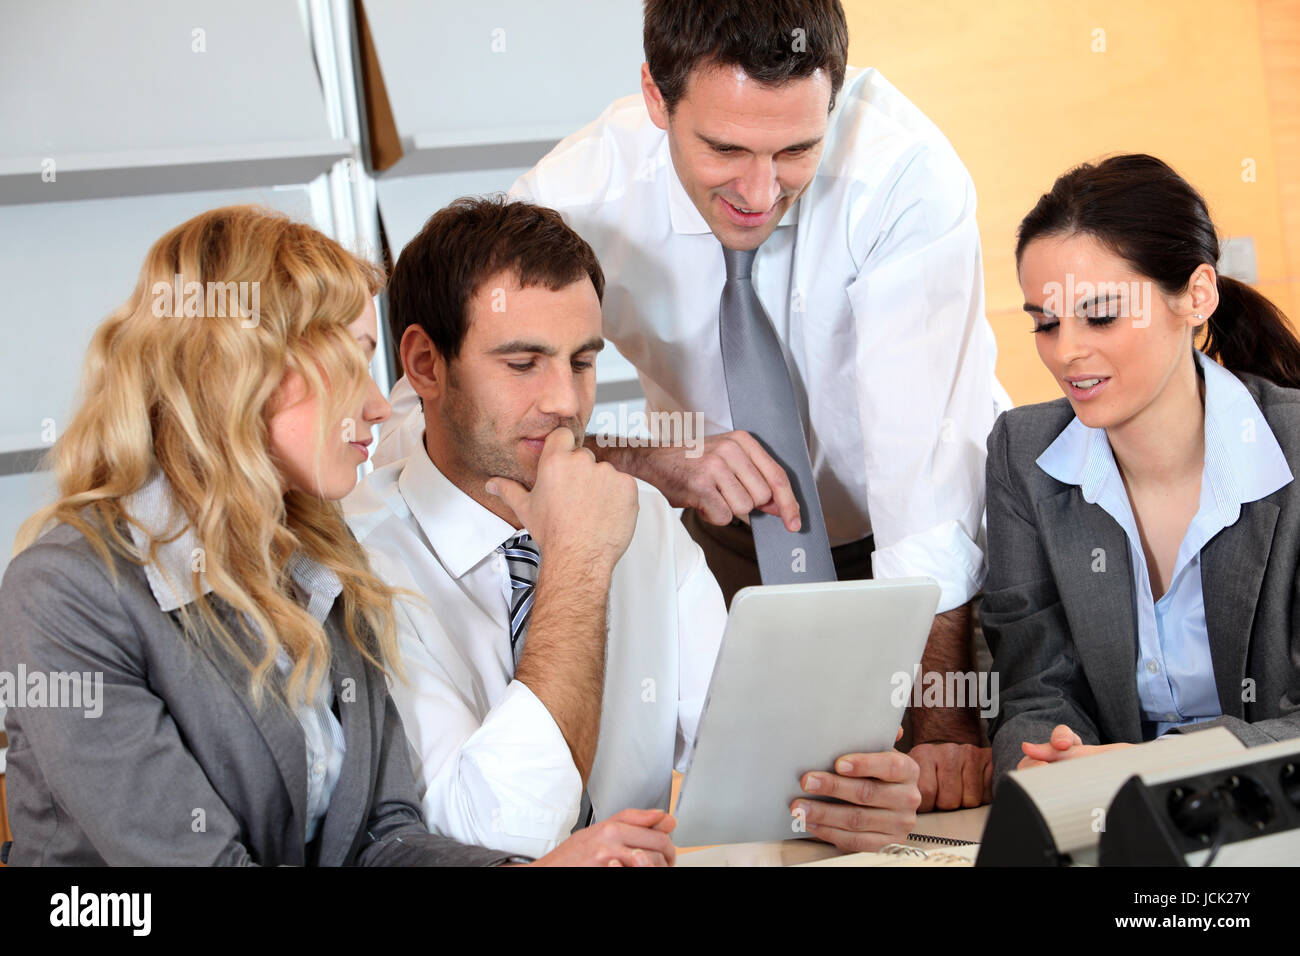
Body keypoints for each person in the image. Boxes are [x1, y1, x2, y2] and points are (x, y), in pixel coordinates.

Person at [379, 0, 993, 822]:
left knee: (939, 794)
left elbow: (928, 478)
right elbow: (436, 413)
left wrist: (942, 719)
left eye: (796, 149)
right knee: (788, 772)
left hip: (934, 556)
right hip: (731, 523)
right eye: (725, 149)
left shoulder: (905, 175)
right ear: (656, 100)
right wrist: (649, 461)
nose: (759, 191)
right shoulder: (583, 191)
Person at [0, 205, 675, 866]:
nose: (381, 405)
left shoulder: (320, 560)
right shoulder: (67, 590)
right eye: (350, 360)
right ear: (241, 370)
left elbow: (384, 837)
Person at [348, 195, 919, 856]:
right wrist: (577, 562)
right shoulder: (357, 561)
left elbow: (750, 754)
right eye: (522, 364)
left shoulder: (640, 514)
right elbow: (502, 839)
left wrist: (839, 797)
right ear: (424, 364)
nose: (565, 402)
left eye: (582, 362)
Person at [983, 153, 1300, 781]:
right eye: (1045, 323)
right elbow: (1031, 690)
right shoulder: (1023, 453)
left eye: (1100, 314)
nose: (1068, 352)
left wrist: (1161, 768)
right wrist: (1055, 759)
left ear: (1197, 296)